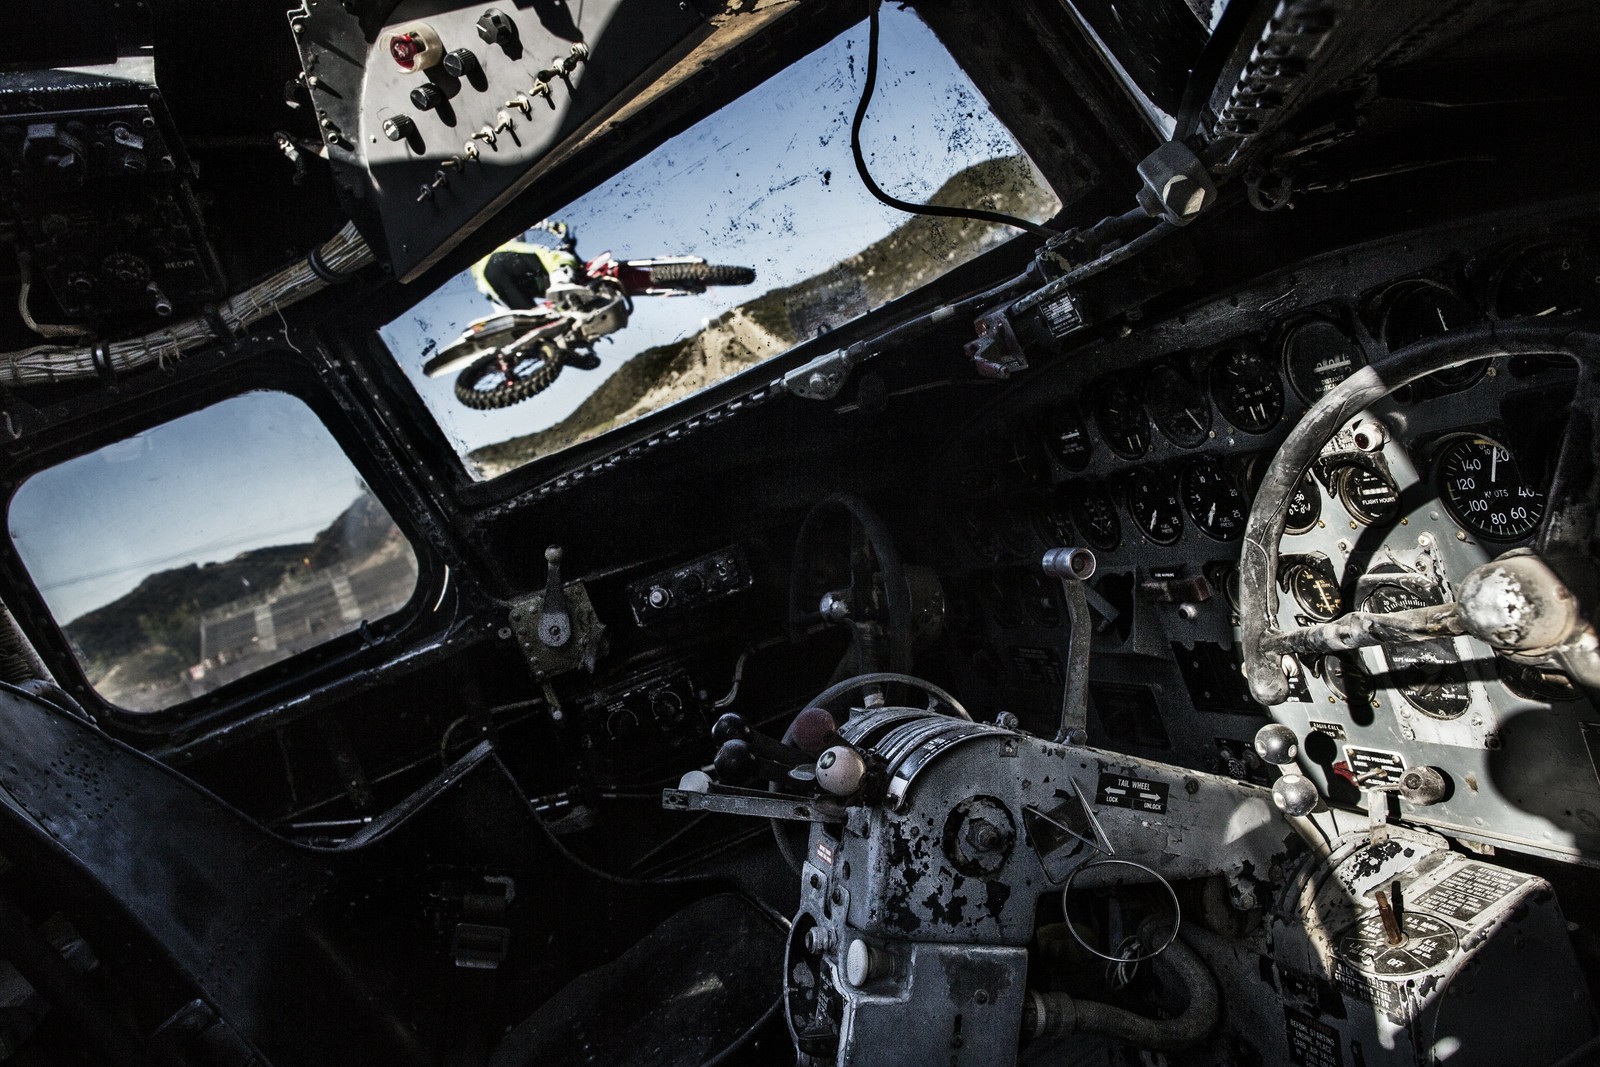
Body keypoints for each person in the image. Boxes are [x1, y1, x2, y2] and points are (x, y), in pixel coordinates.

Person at [469, 219, 581, 308]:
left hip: (485, 278)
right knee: (560, 257)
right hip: (507, 254)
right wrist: (557, 227)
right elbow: (540, 223)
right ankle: (561, 283)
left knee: (530, 314)